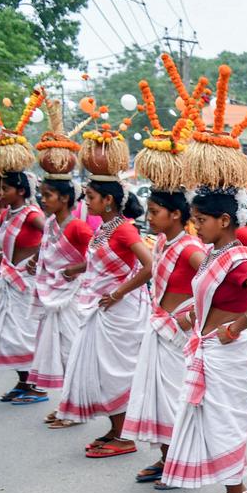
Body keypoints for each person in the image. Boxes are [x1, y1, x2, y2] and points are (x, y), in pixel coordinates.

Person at [159, 189, 247, 493]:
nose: (195, 227)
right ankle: (237, 492)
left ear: (225, 221)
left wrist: (236, 328)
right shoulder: (214, 254)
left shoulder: (238, 258)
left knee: (222, 426)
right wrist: (190, 319)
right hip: (211, 348)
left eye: (200, 220)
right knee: (217, 424)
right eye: (194, 220)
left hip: (227, 353)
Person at [55, 180, 153, 457]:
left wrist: (118, 293)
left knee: (113, 373)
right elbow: (98, 260)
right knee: (100, 370)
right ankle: (114, 429)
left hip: (119, 312)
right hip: (99, 307)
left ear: (108, 200)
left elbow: (150, 266)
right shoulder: (104, 228)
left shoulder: (124, 229)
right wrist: (76, 269)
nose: (86, 202)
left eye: (90, 196)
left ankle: (124, 436)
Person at [120, 191, 205, 482]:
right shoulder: (163, 242)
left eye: (155, 211)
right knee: (160, 400)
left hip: (176, 334)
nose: (149, 217)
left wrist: (189, 317)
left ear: (175, 214)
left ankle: (180, 461)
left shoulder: (191, 248)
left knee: (173, 400)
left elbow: (221, 285)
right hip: (161, 327)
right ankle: (167, 458)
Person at [26, 178, 92, 410]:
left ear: (64, 198)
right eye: (41, 195)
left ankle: (75, 406)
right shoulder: (51, 222)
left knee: (72, 351)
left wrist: (74, 270)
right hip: (53, 295)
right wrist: (35, 261)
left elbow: (97, 256)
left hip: (72, 296)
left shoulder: (78, 227)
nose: (42, 200)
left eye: (48, 195)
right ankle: (68, 406)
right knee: (61, 354)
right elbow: (44, 249)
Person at [0, 171, 45, 402]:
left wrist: (35, 260)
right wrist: (0, 257)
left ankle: (36, 386)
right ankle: (24, 382)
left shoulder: (32, 214)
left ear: (21, 191)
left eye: (5, 189)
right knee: (7, 335)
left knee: (23, 336)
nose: (1, 193)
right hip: (9, 282)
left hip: (25, 283)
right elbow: (11, 245)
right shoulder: (6, 214)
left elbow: (54, 237)